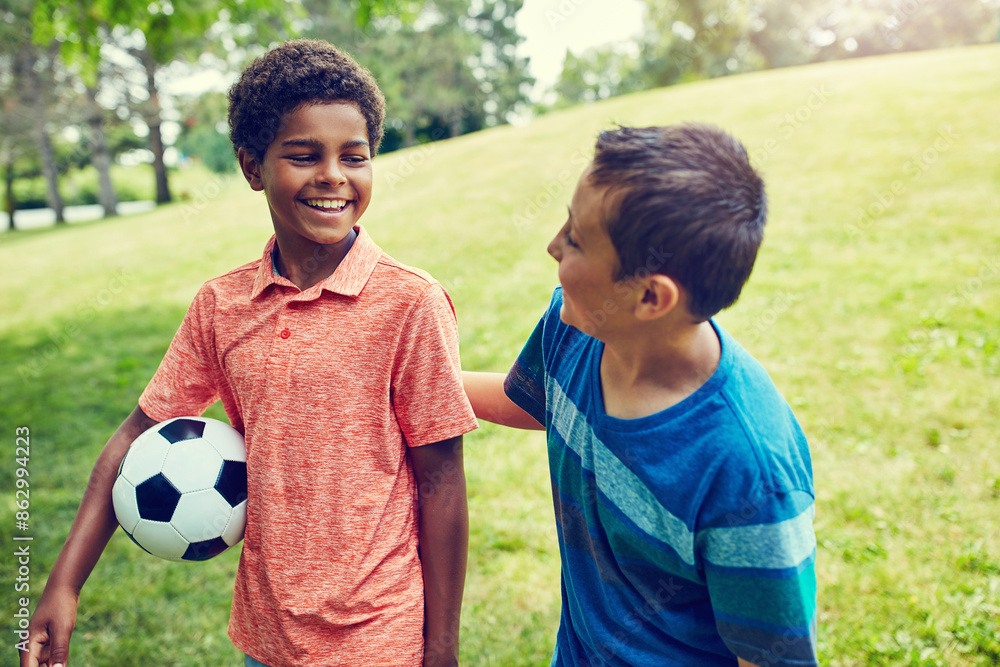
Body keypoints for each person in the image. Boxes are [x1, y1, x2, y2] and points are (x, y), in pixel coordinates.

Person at [22, 39, 477, 667]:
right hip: (265, 638)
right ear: (251, 166)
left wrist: (442, 648)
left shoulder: (410, 302)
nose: (333, 176)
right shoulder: (222, 306)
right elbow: (132, 442)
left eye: (355, 156)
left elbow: (443, 480)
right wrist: (64, 585)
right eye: (302, 155)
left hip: (381, 636)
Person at [463, 123, 818, 666]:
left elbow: (772, 659)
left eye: (576, 239)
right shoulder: (575, 329)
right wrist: (404, 379)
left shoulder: (747, 473)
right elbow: (529, 401)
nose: (552, 244)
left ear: (651, 296)